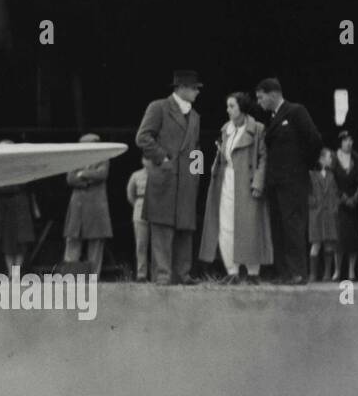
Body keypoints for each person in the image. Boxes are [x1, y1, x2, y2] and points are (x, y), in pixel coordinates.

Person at [135, 70, 204, 285]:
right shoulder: (159, 107)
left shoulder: (195, 116)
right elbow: (143, 137)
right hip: (165, 178)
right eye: (194, 88)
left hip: (186, 181)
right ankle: (163, 275)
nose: (196, 93)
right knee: (162, 228)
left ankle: (183, 274)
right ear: (181, 88)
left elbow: (196, 147)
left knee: (185, 228)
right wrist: (162, 158)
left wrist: (196, 174)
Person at [199, 91, 274, 283]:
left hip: (246, 183)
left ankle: (253, 273)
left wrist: (258, 182)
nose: (228, 110)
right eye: (227, 106)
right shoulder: (226, 129)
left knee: (250, 226)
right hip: (226, 181)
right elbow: (222, 155)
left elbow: (264, 157)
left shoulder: (257, 129)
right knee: (226, 226)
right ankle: (232, 271)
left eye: (232, 106)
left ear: (242, 108)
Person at [254, 77, 323, 285]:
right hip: (275, 183)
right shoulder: (274, 118)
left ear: (273, 94)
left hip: (293, 182)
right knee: (279, 227)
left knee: (293, 225)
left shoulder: (295, 111)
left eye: (261, 97)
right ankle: (284, 273)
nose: (259, 102)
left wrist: (302, 167)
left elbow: (315, 140)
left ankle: (298, 272)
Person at [62, 133, 112, 275]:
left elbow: (102, 174)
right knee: (73, 240)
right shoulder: (75, 159)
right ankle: (70, 276)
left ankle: (93, 277)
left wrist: (82, 174)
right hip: (77, 206)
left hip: (95, 206)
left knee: (95, 242)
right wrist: (88, 179)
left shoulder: (103, 158)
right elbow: (70, 178)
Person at [0, 140, 39, 272]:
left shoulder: (22, 165)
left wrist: (6, 187)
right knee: (6, 244)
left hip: (20, 206)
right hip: (3, 208)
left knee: (20, 242)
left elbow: (24, 184)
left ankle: (16, 275)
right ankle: (11, 273)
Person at [332, 130, 358, 281]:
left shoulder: (357, 159)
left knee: (353, 238)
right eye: (345, 140)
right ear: (340, 142)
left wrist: (356, 197)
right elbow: (330, 180)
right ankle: (337, 271)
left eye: (351, 140)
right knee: (339, 238)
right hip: (339, 203)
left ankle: (352, 271)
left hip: (354, 204)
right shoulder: (333, 158)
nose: (348, 143)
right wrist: (342, 197)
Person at [308, 147, 339, 282]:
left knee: (329, 244)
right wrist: (311, 201)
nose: (331, 159)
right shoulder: (311, 175)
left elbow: (335, 192)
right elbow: (307, 192)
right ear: (321, 159)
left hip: (329, 214)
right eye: (328, 157)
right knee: (316, 243)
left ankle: (327, 273)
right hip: (316, 214)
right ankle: (313, 274)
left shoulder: (332, 176)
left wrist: (335, 207)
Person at [126, 158, 150, 281]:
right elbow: (130, 194)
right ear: (142, 161)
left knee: (158, 244)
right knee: (141, 243)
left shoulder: (158, 173)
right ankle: (141, 274)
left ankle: (158, 274)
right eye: (146, 159)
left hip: (156, 210)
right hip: (140, 208)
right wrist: (137, 204)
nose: (149, 162)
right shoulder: (136, 175)